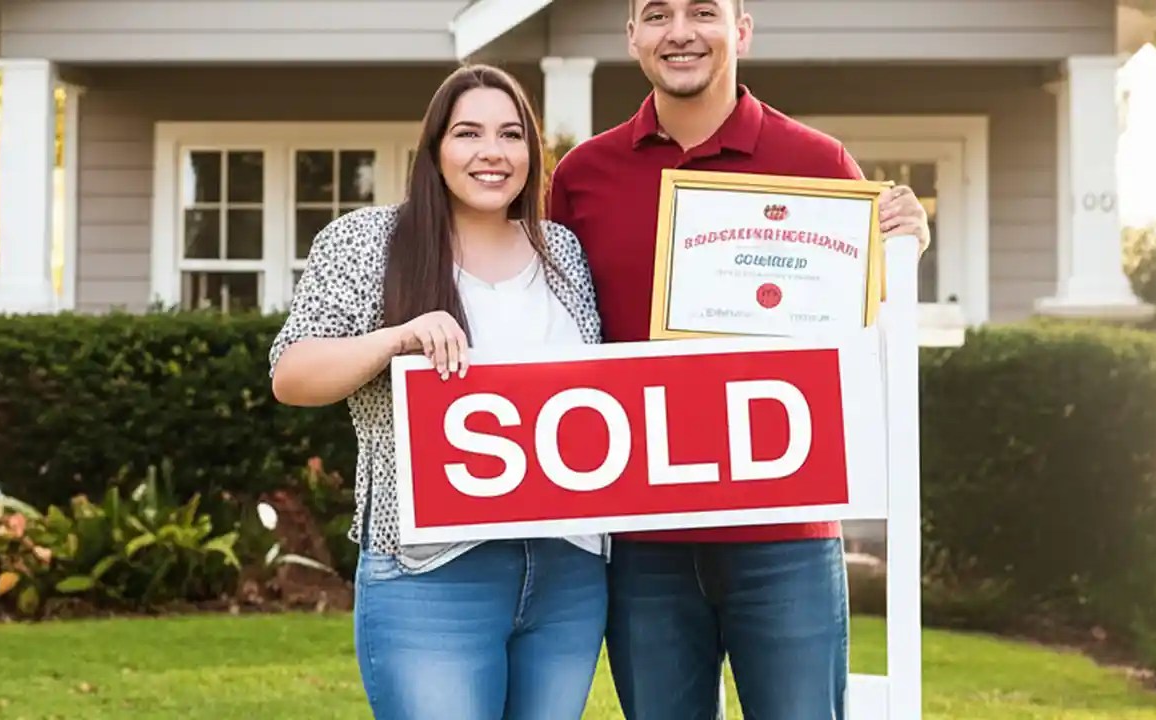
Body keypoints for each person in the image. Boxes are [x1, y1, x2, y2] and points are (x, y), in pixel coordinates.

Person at [547, 1, 932, 718]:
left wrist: (904, 245)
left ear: (742, 30)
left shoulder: (819, 163)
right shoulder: (582, 176)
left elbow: (862, 315)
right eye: (657, 14)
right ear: (632, 35)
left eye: (703, 11)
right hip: (643, 539)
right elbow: (547, 322)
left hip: (785, 534)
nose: (681, 32)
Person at [269, 64, 608, 720]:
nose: (493, 152)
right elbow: (292, 373)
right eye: (468, 133)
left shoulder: (562, 252)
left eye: (512, 135)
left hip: (568, 571)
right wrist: (396, 338)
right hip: (431, 572)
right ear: (434, 150)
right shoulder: (368, 244)